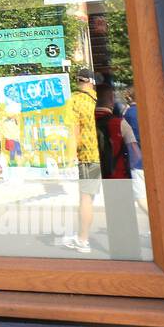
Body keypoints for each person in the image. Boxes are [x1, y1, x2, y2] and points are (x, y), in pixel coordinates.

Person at [57, 70, 100, 254]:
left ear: (78, 81)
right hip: (109, 155)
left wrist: (69, 157)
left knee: (86, 199)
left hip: (89, 156)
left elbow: (74, 132)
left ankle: (82, 240)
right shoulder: (98, 99)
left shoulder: (75, 100)